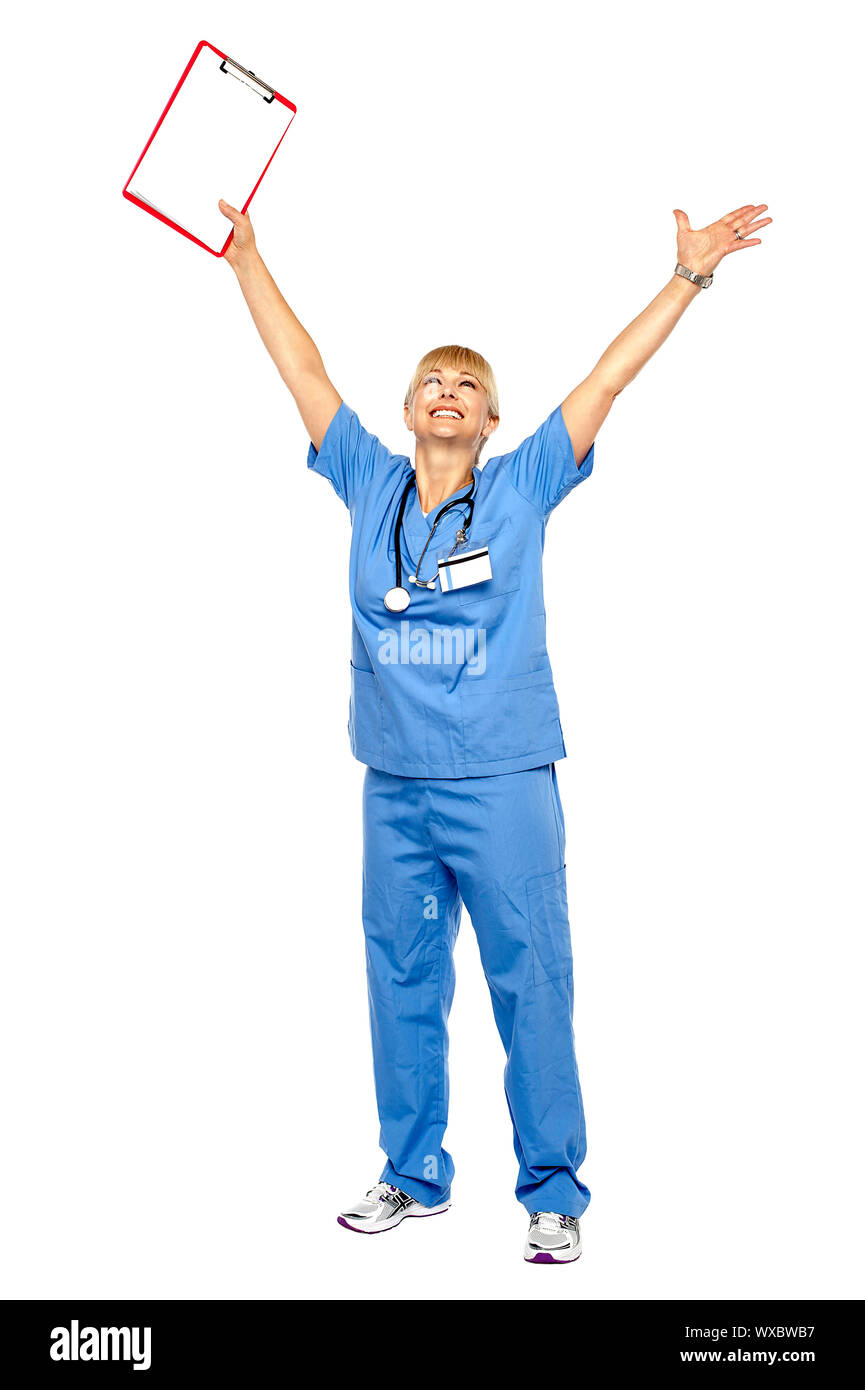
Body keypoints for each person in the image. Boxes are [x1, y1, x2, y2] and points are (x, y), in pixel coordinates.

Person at [218, 196, 771, 1264]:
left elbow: (606, 379)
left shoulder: (520, 489)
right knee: (401, 979)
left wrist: (688, 278)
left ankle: (553, 1191)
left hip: (503, 781)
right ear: (410, 405)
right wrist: (247, 258)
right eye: (433, 376)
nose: (446, 390)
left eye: (467, 384)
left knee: (532, 980)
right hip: (395, 785)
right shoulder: (367, 479)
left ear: (488, 421)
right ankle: (412, 1171)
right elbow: (302, 369)